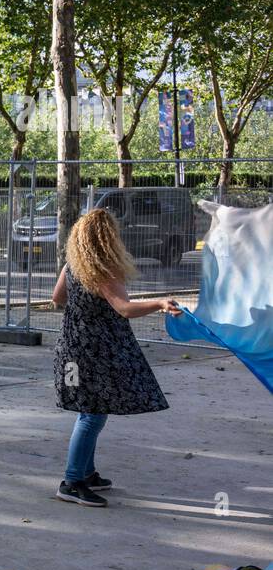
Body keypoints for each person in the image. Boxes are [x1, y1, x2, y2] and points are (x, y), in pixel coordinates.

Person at [51, 208, 180, 506]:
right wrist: (160, 302)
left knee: (93, 410)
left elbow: (57, 298)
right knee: (92, 414)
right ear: (108, 237)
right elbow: (124, 308)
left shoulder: (75, 264)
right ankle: (71, 482)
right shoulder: (104, 269)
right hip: (96, 351)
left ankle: (87, 472)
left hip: (74, 347)